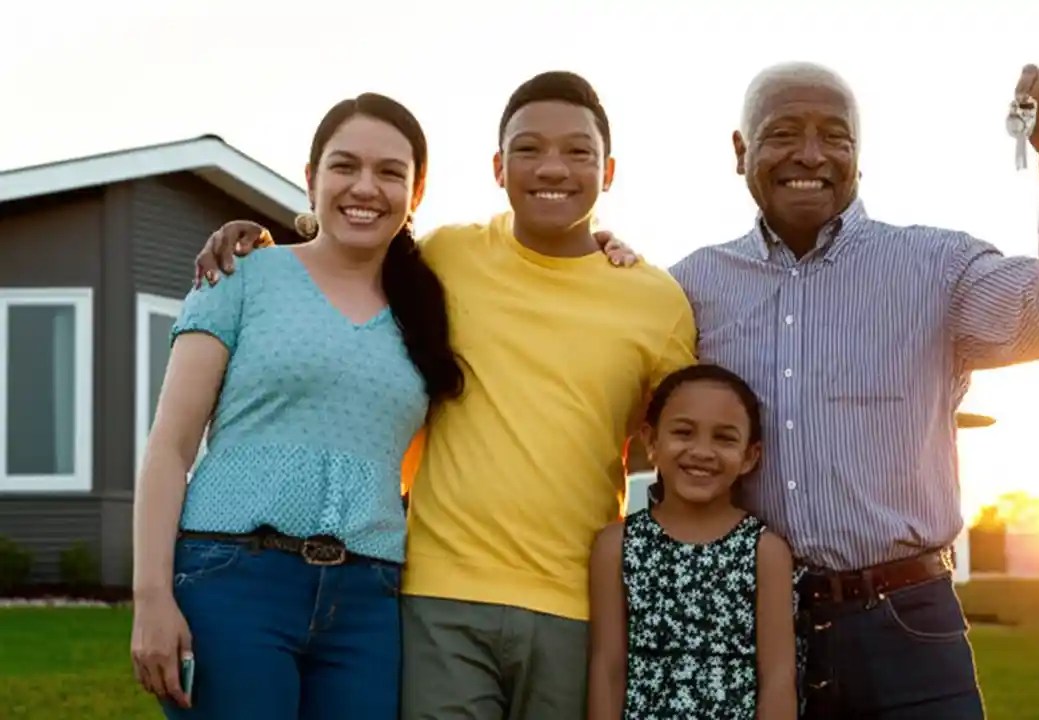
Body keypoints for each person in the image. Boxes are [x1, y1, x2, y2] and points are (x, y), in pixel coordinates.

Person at [190, 71, 696, 720]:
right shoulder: (445, 259)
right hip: (440, 597)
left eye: (578, 153)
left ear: (610, 170)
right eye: (529, 148)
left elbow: (682, 449)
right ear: (496, 165)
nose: (553, 168)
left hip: (578, 608)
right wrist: (254, 235)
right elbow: (345, 258)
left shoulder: (656, 302)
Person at [663, 62, 1039, 718]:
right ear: (741, 152)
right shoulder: (689, 290)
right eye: (784, 133)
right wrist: (594, 260)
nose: (811, 155)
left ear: (859, 155)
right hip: (751, 631)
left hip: (910, 627)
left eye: (835, 137)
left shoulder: (936, 271)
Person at [129, 92, 462, 719]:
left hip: (369, 600)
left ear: (416, 193)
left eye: (391, 172)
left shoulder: (431, 308)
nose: (365, 187)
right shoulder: (242, 276)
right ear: (311, 179)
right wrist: (151, 597)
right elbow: (170, 447)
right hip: (232, 583)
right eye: (345, 166)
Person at [587, 363, 798, 720]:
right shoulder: (617, 546)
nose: (702, 451)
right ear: (651, 441)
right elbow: (608, 670)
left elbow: (777, 678)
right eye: (684, 433)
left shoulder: (765, 552)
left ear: (750, 456)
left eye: (724, 438)